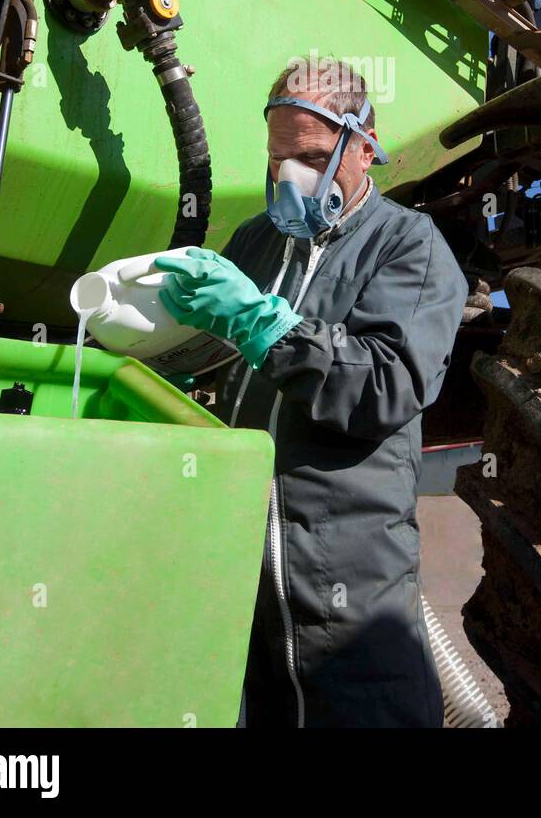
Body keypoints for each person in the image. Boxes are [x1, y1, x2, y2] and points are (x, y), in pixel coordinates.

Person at [155, 57, 469, 728]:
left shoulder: (409, 246)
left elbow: (385, 387)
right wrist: (166, 356)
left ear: (366, 147)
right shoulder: (255, 241)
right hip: (238, 566)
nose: (290, 178)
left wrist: (263, 324)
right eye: (279, 160)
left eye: (315, 156)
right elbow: (216, 366)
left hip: (347, 579)